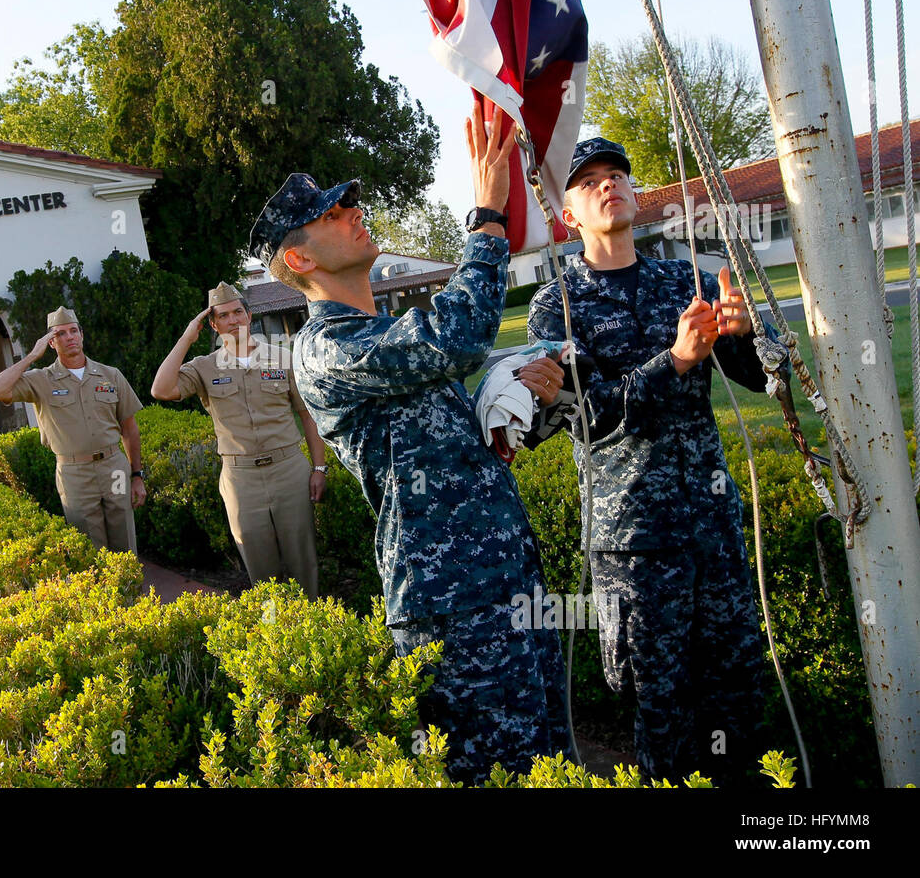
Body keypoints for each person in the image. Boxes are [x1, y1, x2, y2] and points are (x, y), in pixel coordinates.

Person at [250, 101, 571, 781]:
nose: (352, 215)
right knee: (492, 774)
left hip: (508, 579)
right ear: (299, 256)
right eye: (333, 216)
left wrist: (529, 407)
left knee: (548, 763)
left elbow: (468, 447)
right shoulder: (326, 347)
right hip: (450, 605)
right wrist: (486, 215)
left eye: (348, 207)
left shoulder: (386, 331)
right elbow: (455, 334)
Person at [527, 136, 772, 784]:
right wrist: (677, 360)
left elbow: (756, 379)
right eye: (589, 181)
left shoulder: (681, 279)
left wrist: (747, 336)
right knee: (660, 709)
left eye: (617, 175)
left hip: (711, 528)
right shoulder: (557, 307)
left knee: (737, 689)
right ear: (567, 213)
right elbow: (588, 417)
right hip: (635, 542)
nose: (609, 185)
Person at [152, 281, 328, 598]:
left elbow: (308, 416)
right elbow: (161, 390)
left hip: (288, 469)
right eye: (224, 315)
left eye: (238, 312)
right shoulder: (204, 367)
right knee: (260, 565)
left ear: (248, 316)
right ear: (214, 324)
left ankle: (313, 623)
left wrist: (319, 468)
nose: (233, 320)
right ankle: (276, 633)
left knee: (304, 559)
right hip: (240, 478)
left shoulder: (282, 357)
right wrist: (186, 337)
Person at [0, 306, 146, 553]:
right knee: (89, 546)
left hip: (114, 468)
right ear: (50, 342)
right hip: (74, 474)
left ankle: (133, 590)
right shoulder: (41, 380)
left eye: (73, 331)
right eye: (60, 334)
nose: (69, 337)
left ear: (81, 334)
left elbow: (129, 429)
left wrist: (137, 476)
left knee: (124, 535)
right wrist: (30, 357)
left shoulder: (110, 375)